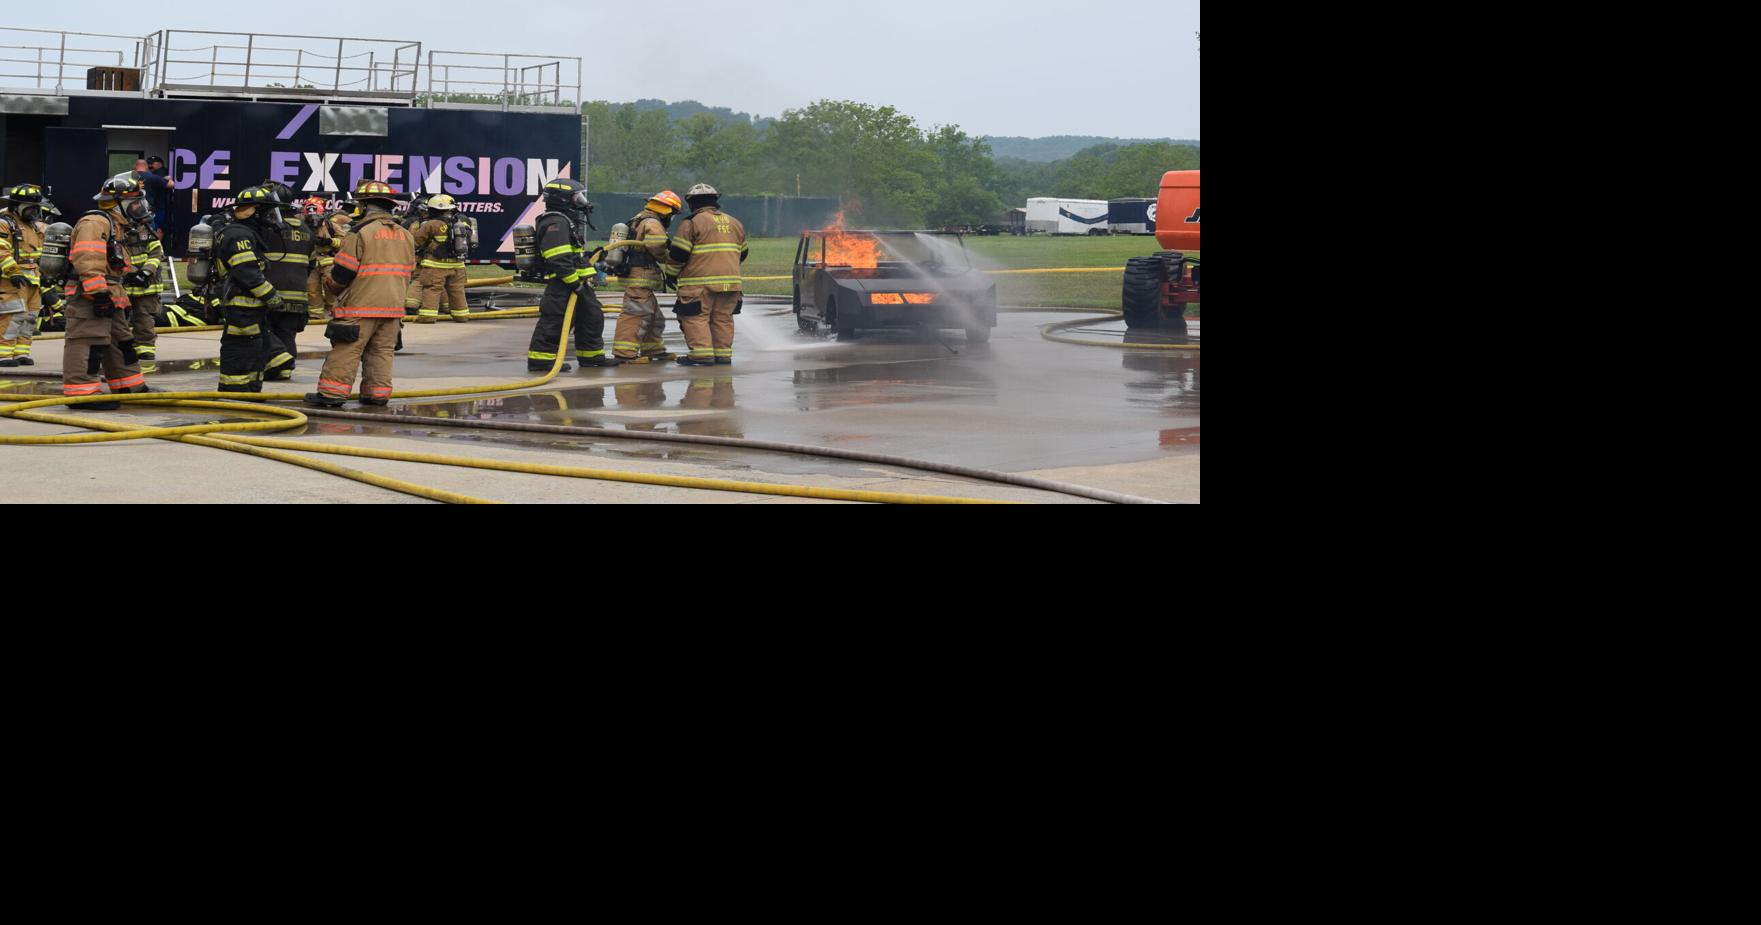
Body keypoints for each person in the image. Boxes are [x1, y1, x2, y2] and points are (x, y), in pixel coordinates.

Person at [306, 180, 415, 409]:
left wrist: (331, 287)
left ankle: (331, 395)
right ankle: (377, 395)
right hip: (393, 306)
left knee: (347, 349)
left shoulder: (359, 233)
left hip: (360, 305)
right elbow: (410, 270)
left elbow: (343, 273)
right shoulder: (405, 234)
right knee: (382, 352)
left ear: (364, 207)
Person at [61, 177, 150, 409]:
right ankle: (82, 393)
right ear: (116, 202)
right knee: (88, 341)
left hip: (112, 293)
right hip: (90, 294)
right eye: (134, 203)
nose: (139, 208)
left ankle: (128, 386)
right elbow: (88, 258)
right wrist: (98, 293)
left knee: (121, 342)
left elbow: (115, 261)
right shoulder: (94, 222)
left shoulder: (116, 225)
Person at [526, 178, 614, 371]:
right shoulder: (555, 221)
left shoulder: (563, 219)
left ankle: (591, 357)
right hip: (563, 283)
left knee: (591, 316)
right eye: (576, 196)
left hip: (575, 281)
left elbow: (570, 254)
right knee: (554, 320)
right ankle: (541, 360)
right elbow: (557, 257)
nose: (581, 200)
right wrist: (575, 284)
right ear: (563, 199)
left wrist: (591, 256)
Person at [665, 183, 748, 366]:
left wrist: (670, 274)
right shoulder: (735, 222)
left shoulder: (691, 223)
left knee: (696, 317)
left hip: (699, 284)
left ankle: (701, 355)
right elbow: (743, 253)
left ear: (692, 203)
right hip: (732, 284)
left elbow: (679, 254)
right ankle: (723, 355)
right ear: (715, 201)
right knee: (723, 318)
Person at [212, 186, 283, 393]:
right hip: (240, 307)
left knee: (255, 349)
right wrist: (271, 295)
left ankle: (251, 391)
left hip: (250, 307)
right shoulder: (238, 235)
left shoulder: (247, 233)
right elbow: (247, 273)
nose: (271, 218)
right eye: (268, 212)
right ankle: (234, 393)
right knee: (241, 349)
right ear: (255, 211)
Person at [608, 190, 682, 364]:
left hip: (638, 275)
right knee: (636, 315)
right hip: (639, 276)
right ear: (668, 211)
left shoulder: (639, 218)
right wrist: (670, 259)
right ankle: (624, 354)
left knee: (654, 317)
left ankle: (653, 349)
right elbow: (656, 246)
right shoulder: (652, 222)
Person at [255, 182, 314, 382]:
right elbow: (310, 262)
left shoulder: (268, 230)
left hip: (272, 292)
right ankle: (284, 370)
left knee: (264, 329)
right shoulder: (306, 230)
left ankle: (277, 364)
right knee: (287, 333)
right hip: (298, 294)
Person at [0, 184, 48, 368]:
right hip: (12, 280)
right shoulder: (5, 223)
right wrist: (13, 272)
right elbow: (1, 250)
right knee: (13, 316)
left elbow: (40, 255)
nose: (34, 211)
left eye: (36, 208)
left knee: (30, 318)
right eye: (29, 207)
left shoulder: (35, 227)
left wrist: (45, 274)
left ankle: (21, 353)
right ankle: (3, 354)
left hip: (33, 281)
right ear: (15, 206)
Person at [119, 203, 167, 374]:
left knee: (145, 317)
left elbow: (156, 256)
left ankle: (146, 348)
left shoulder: (150, 235)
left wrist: (145, 273)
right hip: (126, 284)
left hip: (148, 286)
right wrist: (129, 273)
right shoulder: (118, 234)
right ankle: (121, 347)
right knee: (120, 318)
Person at [411, 193, 470, 323]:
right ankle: (462, 316)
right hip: (458, 265)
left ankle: (428, 317)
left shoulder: (430, 224)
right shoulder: (459, 223)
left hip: (436, 265)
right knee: (457, 290)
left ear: (432, 209)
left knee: (432, 289)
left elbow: (417, 241)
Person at [305, 197, 349, 322]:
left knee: (331, 285)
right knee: (311, 288)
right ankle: (316, 313)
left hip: (328, 260)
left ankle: (334, 310)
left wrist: (330, 241)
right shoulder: (302, 225)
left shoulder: (331, 225)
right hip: (310, 261)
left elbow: (346, 242)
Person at [132, 157, 172, 240]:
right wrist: (168, 179)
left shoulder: (130, 178)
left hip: (132, 210)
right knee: (155, 229)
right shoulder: (154, 177)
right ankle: (156, 250)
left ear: (135, 166)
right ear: (146, 167)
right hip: (149, 210)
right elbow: (171, 185)